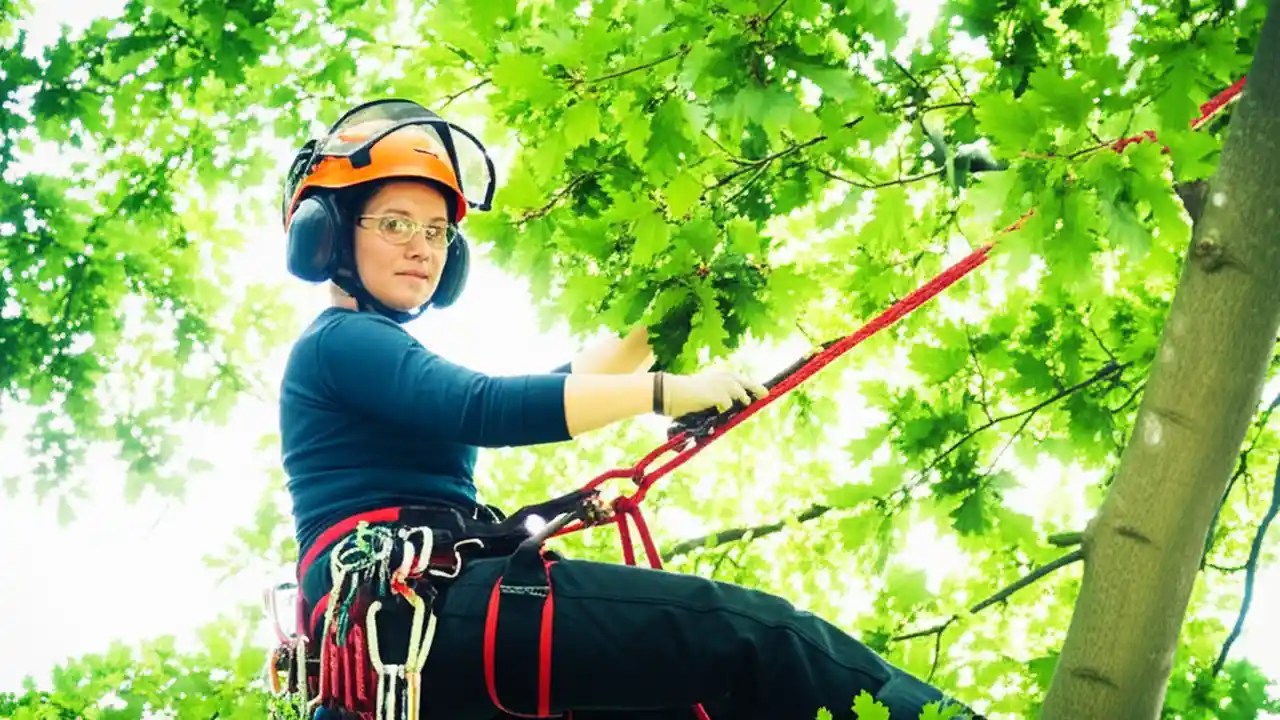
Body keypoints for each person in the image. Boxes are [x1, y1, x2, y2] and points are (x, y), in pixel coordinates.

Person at [272, 99, 980, 720]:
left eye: (436, 232)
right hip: (421, 616)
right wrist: (666, 391)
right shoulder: (340, 341)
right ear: (328, 234)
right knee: (758, 637)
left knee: (705, 702)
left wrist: (671, 316)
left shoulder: (369, 359)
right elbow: (482, 405)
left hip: (430, 641)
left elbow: (565, 382)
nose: (422, 248)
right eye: (395, 222)